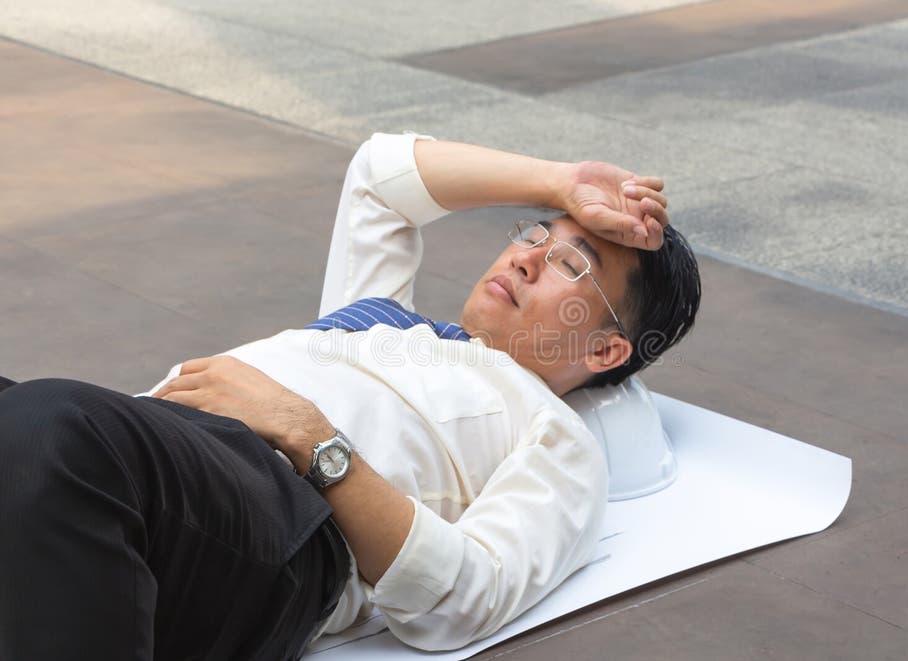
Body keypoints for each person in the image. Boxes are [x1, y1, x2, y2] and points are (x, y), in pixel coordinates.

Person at [0, 132, 700, 660]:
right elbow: (379, 174)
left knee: (49, 428)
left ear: (606, 348)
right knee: (33, 434)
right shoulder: (384, 318)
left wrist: (310, 436)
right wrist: (563, 180)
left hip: (280, 515)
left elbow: (469, 593)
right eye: (536, 232)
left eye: (571, 262)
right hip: (145, 457)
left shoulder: (556, 437)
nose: (525, 255)